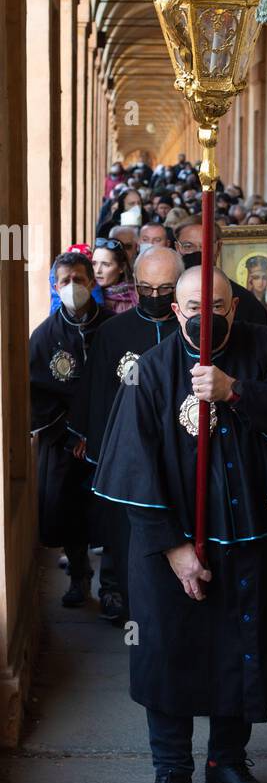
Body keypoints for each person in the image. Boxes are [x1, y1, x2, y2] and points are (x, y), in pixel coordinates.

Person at [93, 266, 267, 783]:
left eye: (216, 305)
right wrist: (175, 551)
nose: (204, 315)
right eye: (192, 305)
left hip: (249, 540)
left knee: (239, 652)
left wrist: (236, 391)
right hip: (172, 544)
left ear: (233, 307)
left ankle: (228, 762)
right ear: (176, 309)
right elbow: (131, 468)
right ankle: (171, 769)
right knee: (169, 653)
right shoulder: (149, 371)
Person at [69, 247, 184, 623]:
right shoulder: (113, 332)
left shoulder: (189, 331)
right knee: (120, 525)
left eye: (165, 289)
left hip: (178, 449)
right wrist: (95, 442)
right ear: (134, 284)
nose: (155, 297)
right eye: (147, 288)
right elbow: (97, 390)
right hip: (126, 448)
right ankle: (115, 590)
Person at [30, 253, 111, 606]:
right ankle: (79, 577)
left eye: (79, 279)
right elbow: (37, 393)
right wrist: (72, 435)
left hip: (108, 439)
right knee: (69, 512)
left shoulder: (113, 328)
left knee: (112, 512)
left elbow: (123, 385)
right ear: (54, 286)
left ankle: (114, 587)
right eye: (65, 281)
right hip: (63, 443)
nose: (72, 287)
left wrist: (94, 433)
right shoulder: (45, 336)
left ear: (91, 283)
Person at [174, 216, 267, 326]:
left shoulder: (246, 302)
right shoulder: (164, 293)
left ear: (218, 248)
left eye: (206, 246)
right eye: (188, 246)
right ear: (177, 248)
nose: (198, 252)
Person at [92, 238, 137, 315]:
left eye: (106, 264)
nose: (97, 271)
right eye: (94, 263)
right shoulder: (86, 295)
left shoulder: (137, 296)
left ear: (121, 267)